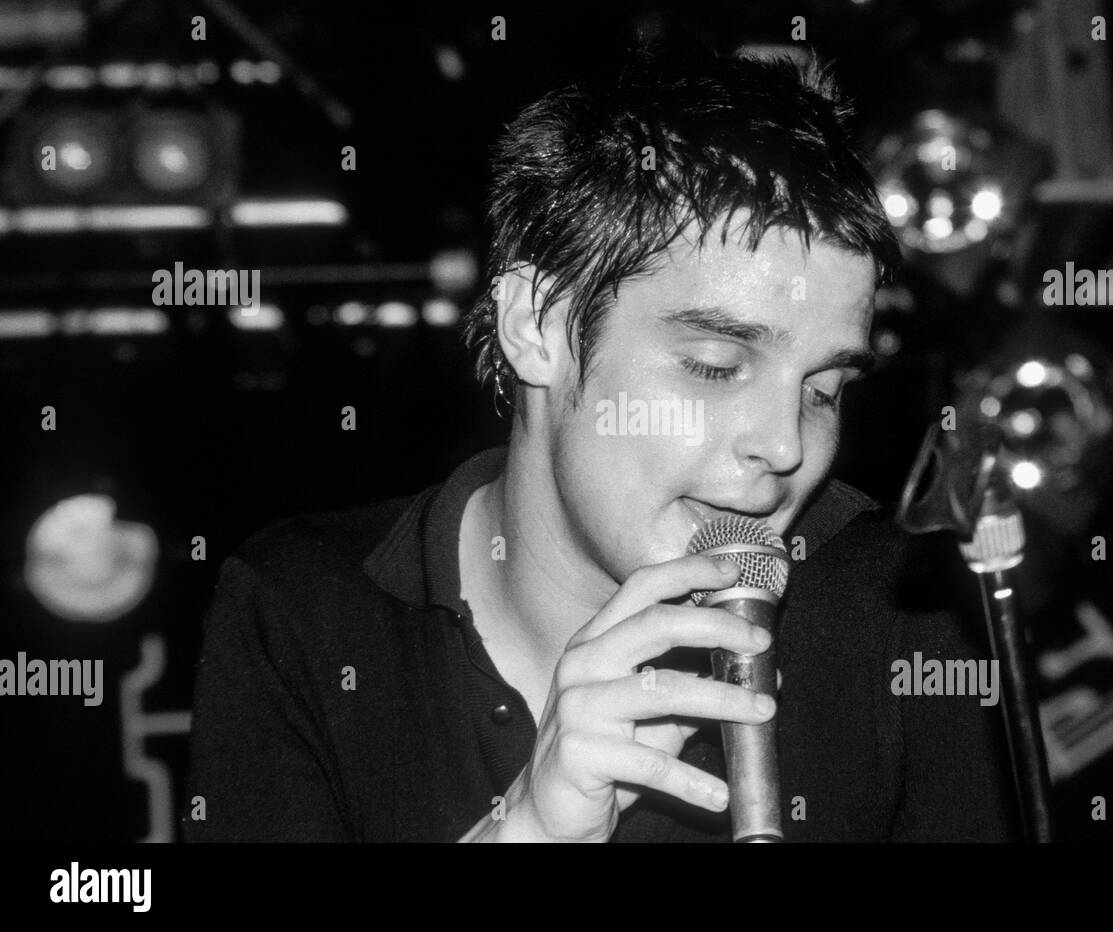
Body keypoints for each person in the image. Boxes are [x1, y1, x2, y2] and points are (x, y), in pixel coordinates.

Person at [184, 42, 1015, 843]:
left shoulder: (906, 613)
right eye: (716, 365)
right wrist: (526, 831)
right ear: (536, 325)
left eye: (824, 390)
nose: (784, 444)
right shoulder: (303, 614)